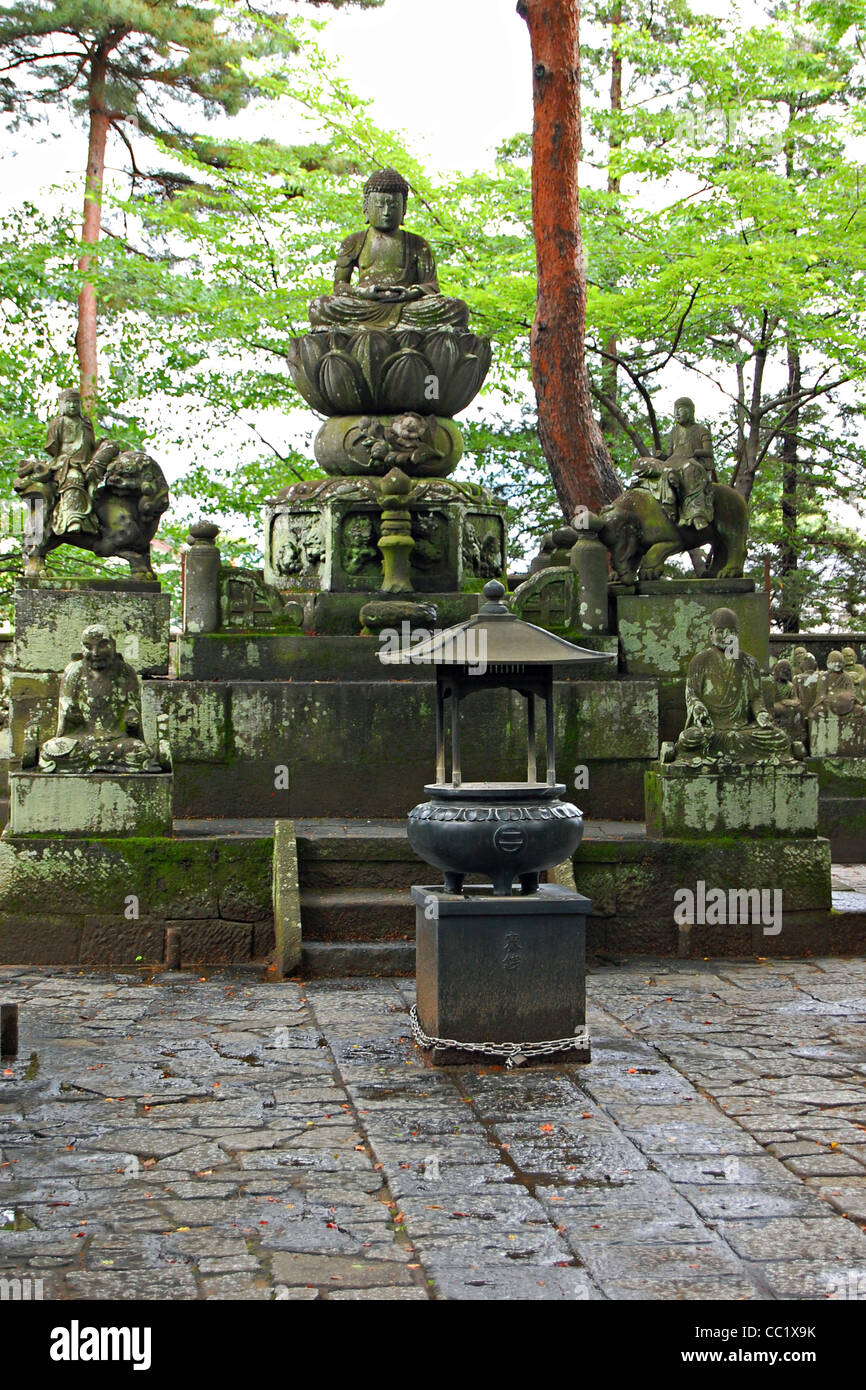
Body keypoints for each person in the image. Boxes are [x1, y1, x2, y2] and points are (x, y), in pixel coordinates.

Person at [309, 168, 470, 331]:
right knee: (319, 306)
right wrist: (364, 293)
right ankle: (398, 329)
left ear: (403, 208)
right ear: (366, 207)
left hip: (407, 307)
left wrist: (411, 293)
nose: (386, 212)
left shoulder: (417, 243)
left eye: (393, 206)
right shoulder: (354, 241)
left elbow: (431, 285)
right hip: (366, 306)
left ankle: (398, 327)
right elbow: (340, 286)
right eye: (379, 205)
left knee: (458, 308)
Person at [673, 608, 800, 766]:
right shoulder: (700, 661)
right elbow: (692, 694)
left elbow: (755, 697)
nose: (726, 636)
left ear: (737, 634)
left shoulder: (749, 662)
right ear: (710, 633)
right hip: (712, 730)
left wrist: (761, 714)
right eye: (720, 631)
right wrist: (698, 708)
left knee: (779, 738)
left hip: (743, 730)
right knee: (689, 738)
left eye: (731, 631)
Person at [38, 625, 161, 774]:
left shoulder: (126, 671)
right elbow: (66, 703)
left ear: (113, 646)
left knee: (139, 750)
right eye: (88, 647)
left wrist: (131, 717)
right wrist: (70, 712)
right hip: (82, 740)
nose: (95, 653)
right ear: (82, 649)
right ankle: (100, 760)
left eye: (102, 646)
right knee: (52, 749)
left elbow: (132, 705)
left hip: (116, 740)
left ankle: (91, 761)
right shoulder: (74, 671)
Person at [630, 397, 716, 530]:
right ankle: (667, 485)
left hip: (690, 462)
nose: (677, 413)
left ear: (690, 411)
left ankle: (696, 514)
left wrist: (695, 452)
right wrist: (662, 456)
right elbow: (669, 455)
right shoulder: (674, 432)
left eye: (680, 410)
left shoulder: (701, 430)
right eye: (675, 411)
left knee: (690, 470)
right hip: (671, 463)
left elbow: (709, 452)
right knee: (639, 463)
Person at [44, 389, 100, 536]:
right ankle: (72, 518)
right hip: (65, 462)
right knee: (73, 477)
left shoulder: (85, 423)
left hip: (85, 461)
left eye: (75, 402)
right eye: (68, 402)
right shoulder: (59, 422)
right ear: (62, 404)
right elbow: (52, 447)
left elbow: (90, 445)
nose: (72, 406)